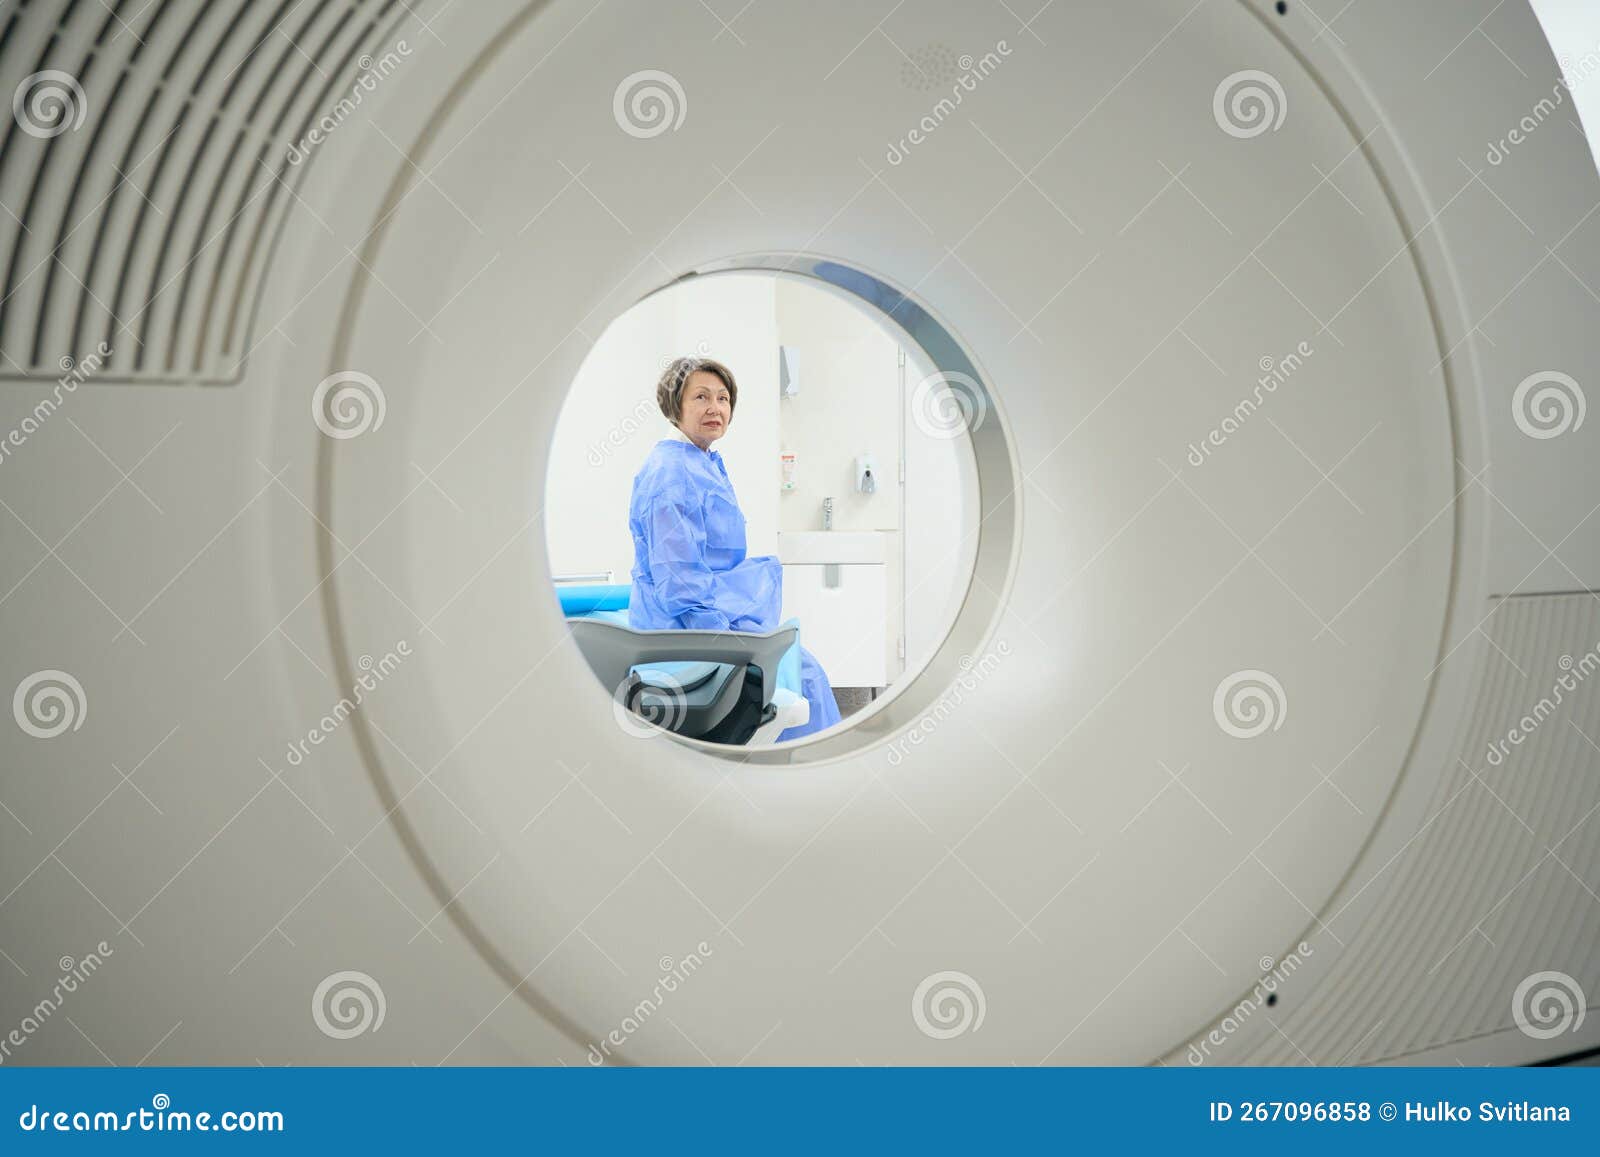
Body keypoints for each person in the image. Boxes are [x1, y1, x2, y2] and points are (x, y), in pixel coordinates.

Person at [627, 356, 841, 742]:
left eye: (723, 398)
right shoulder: (671, 475)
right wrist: (730, 644)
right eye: (701, 397)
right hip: (682, 628)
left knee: (802, 667)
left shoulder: (700, 461)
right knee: (803, 676)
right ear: (675, 405)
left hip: (705, 611)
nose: (715, 407)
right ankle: (804, 770)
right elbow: (679, 584)